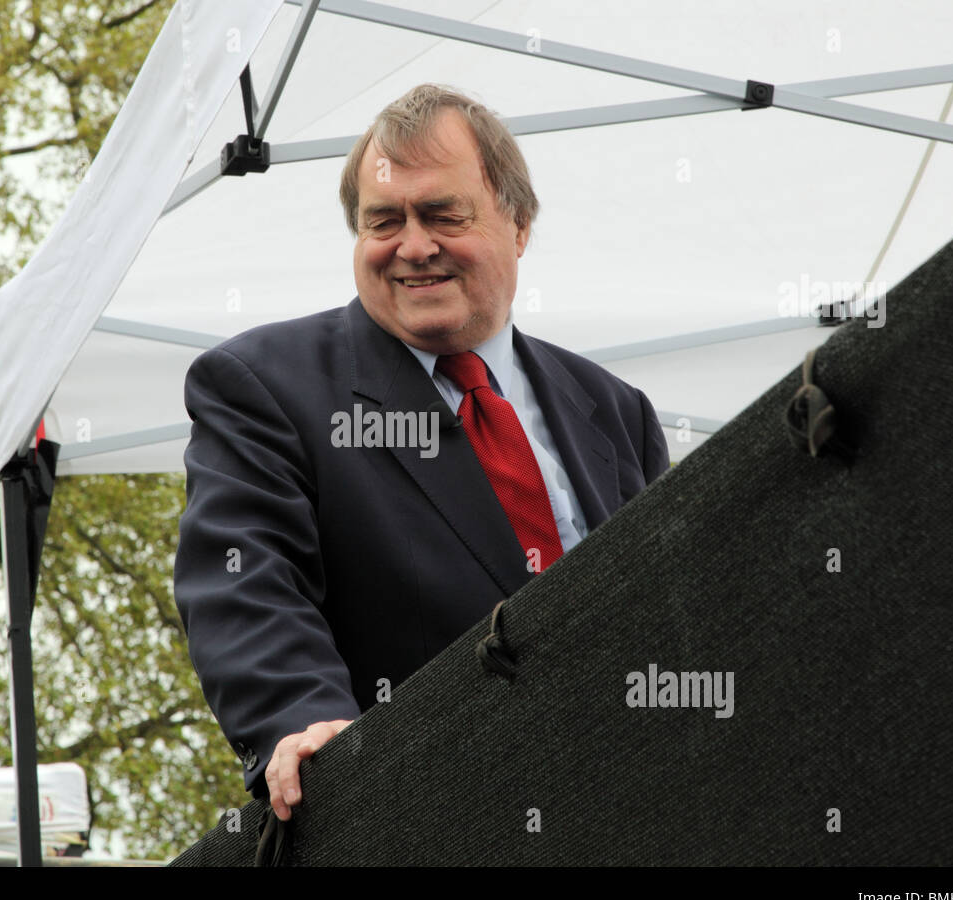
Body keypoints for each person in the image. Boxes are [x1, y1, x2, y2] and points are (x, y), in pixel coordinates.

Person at [174, 84, 669, 822]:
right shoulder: (265, 388)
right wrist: (313, 732)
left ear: (520, 224)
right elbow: (248, 589)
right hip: (421, 822)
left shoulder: (615, 411)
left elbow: (668, 607)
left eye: (443, 215)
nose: (413, 247)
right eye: (383, 222)